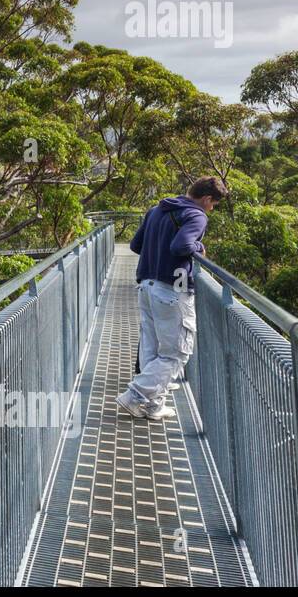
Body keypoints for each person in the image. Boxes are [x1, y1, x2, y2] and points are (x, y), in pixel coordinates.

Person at [117, 177, 229, 421]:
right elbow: (181, 246)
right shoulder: (197, 215)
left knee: (152, 347)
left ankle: (153, 406)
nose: (212, 209)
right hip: (172, 289)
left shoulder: (157, 210)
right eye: (214, 204)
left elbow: (136, 245)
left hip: (147, 286)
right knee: (176, 353)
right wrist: (199, 246)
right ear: (207, 199)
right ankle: (134, 395)